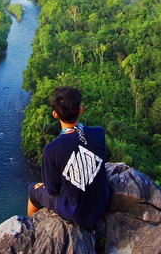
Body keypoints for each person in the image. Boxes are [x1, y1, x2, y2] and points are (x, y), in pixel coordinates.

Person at [27, 86, 110, 228]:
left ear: (55, 114)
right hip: (102, 202)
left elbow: (52, 190)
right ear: (80, 110)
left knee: (32, 190)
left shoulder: (51, 150)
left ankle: (31, 229)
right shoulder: (98, 133)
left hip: (78, 214)